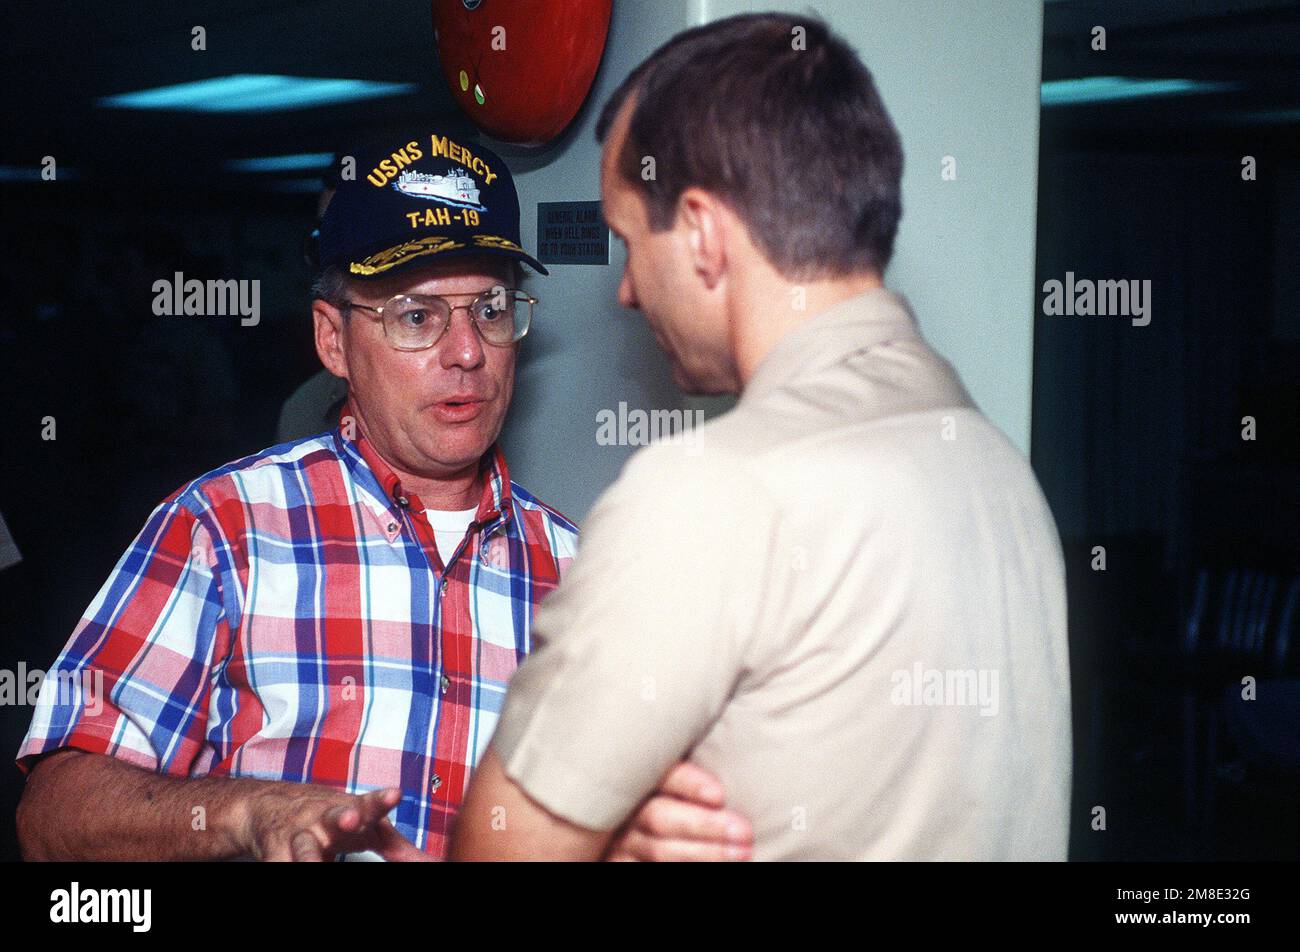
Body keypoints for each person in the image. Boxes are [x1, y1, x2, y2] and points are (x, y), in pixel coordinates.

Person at [15, 128, 752, 862]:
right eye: (416, 317)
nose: (468, 352)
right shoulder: (224, 529)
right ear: (333, 341)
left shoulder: (582, 574)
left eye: (491, 310)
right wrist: (248, 812)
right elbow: (53, 814)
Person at [451, 14, 1072, 861]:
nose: (626, 291)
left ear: (703, 235)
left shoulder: (711, 492)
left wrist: (611, 844)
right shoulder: (997, 468)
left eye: (629, 242)